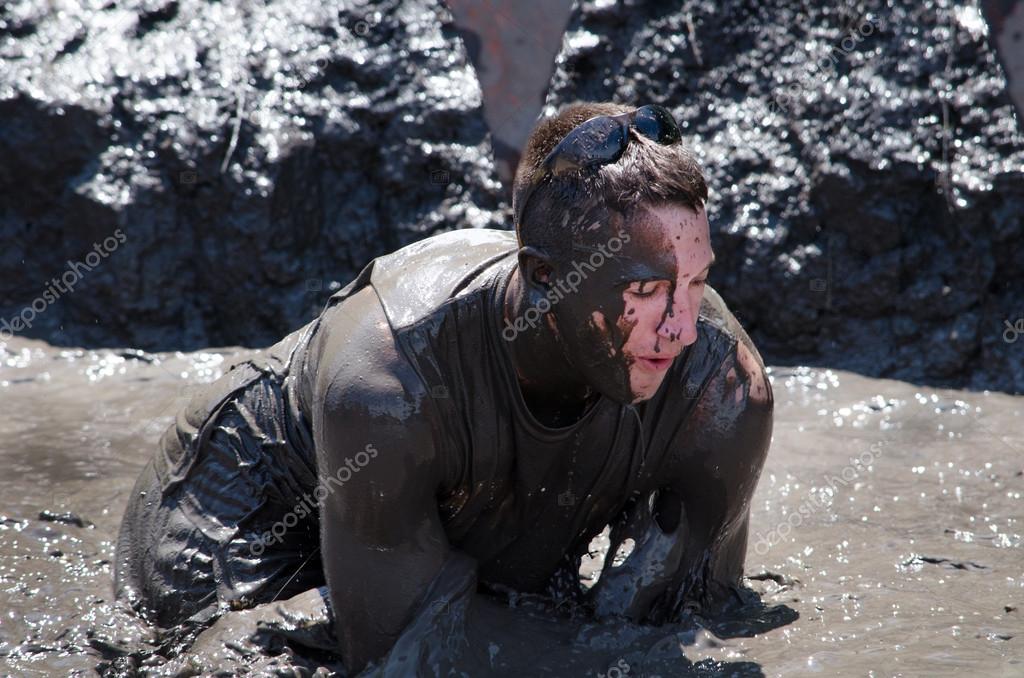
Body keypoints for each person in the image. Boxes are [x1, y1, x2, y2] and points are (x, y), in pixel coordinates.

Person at [114, 101, 773, 674]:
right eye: (647, 292)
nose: (682, 329)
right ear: (544, 279)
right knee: (187, 657)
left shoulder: (722, 391)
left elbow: (684, 628)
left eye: (693, 281)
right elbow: (405, 658)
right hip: (256, 493)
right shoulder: (385, 380)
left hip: (457, 503)